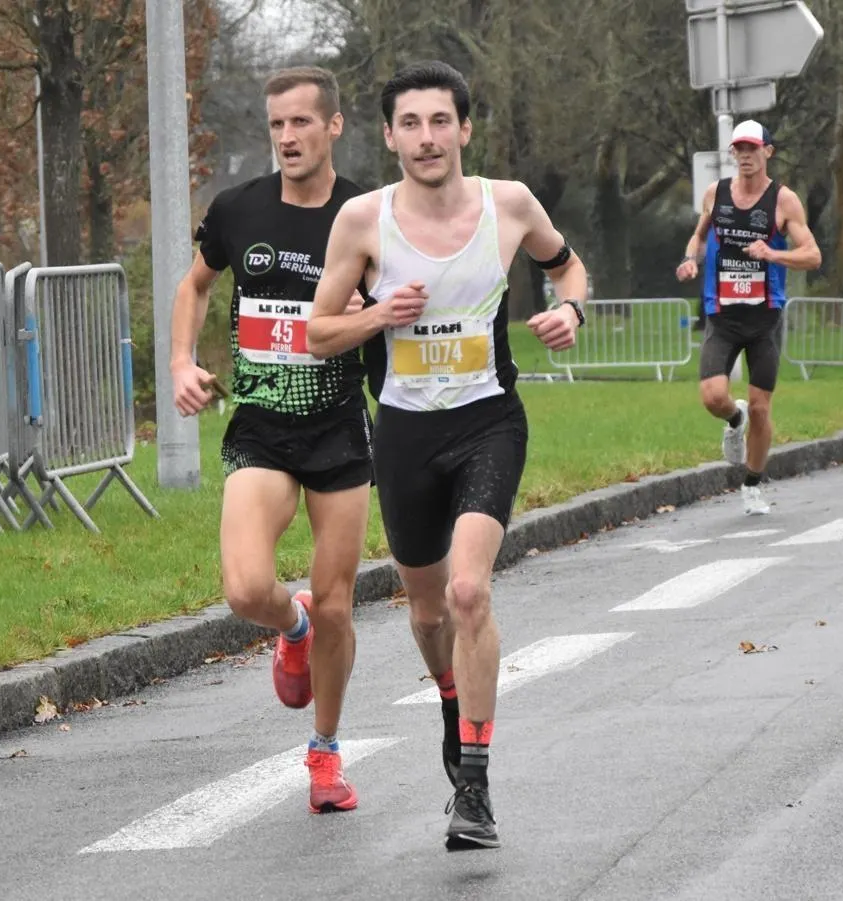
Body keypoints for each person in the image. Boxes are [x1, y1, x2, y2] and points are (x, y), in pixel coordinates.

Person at [307, 60, 588, 851]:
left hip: (488, 423)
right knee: (427, 611)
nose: (427, 138)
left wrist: (570, 306)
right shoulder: (363, 221)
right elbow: (317, 332)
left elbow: (567, 264)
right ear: (389, 135)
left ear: (465, 129)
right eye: (410, 124)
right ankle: (448, 694)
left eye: (441, 121)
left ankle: (474, 782)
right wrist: (379, 317)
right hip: (403, 435)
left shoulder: (510, 204)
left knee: (468, 592)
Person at [169, 66, 374, 814]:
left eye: (301, 123)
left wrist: (368, 306)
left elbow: (400, 309)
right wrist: (182, 362)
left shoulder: (366, 213)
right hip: (261, 425)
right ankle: (290, 626)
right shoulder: (238, 208)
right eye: (277, 125)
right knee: (246, 587)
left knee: (340, 602)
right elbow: (195, 286)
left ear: (333, 127)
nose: (287, 137)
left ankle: (324, 754)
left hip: (338, 430)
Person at [675, 120, 822, 515]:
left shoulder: (783, 201)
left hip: (764, 319)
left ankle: (753, 483)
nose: (745, 156)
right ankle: (733, 419)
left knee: (762, 406)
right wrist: (691, 259)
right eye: (738, 149)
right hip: (722, 314)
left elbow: (812, 254)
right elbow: (700, 235)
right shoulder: (716, 194)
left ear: (767, 152)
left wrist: (773, 254)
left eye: (752, 149)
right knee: (713, 397)